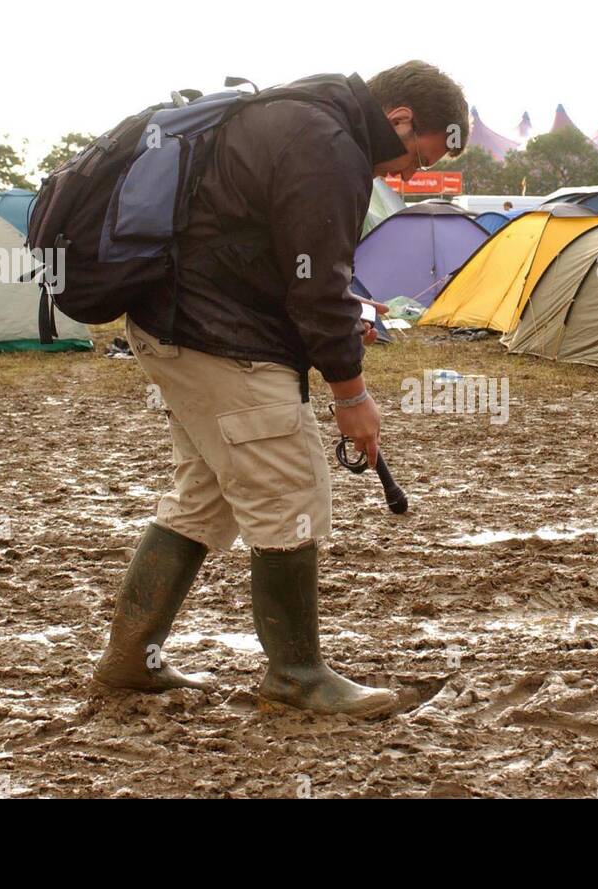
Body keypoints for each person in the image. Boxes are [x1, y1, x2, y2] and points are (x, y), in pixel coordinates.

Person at [93, 61, 469, 717]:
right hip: (217, 335)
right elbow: (318, 288)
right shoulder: (328, 146)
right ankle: (295, 674)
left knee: (205, 494)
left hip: (177, 325)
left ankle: (132, 658)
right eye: (416, 155)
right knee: (292, 482)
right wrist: (352, 396)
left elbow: (296, 269)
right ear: (401, 118)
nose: (408, 175)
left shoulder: (304, 116)